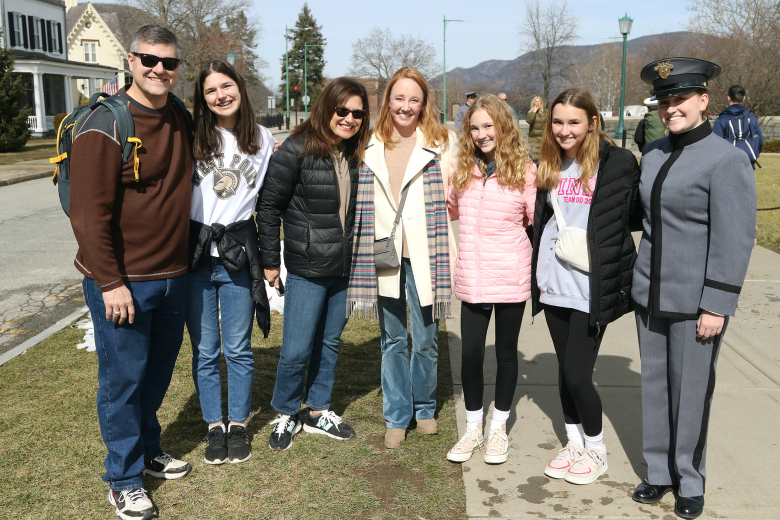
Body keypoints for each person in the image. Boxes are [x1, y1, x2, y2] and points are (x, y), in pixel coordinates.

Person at [69, 24, 193, 520]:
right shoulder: (105, 124)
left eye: (169, 62)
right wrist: (110, 282)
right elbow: (88, 216)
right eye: (150, 60)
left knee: (156, 374)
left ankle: (147, 448)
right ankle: (123, 479)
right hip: (123, 282)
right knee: (122, 380)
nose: (160, 69)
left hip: (173, 275)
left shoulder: (179, 115)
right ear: (130, 61)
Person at [632, 58, 756, 520]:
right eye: (664, 102)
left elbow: (734, 238)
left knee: (691, 392)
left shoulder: (726, 159)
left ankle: (689, 478)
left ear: (704, 100)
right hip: (650, 295)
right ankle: (659, 471)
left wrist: (717, 304)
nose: (670, 109)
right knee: (655, 386)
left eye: (680, 99)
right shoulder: (653, 153)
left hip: (696, 301)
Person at [530, 88, 640, 485]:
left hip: (592, 286)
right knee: (565, 372)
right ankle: (574, 443)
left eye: (574, 122)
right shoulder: (549, 162)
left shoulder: (619, 162)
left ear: (593, 122)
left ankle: (596, 449)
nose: (564, 130)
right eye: (558, 122)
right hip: (553, 279)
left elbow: (632, 217)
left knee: (578, 374)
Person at [258, 77, 371, 451]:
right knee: (295, 349)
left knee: (329, 343)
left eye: (357, 113)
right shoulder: (297, 148)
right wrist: (270, 261)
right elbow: (269, 207)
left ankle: (318, 410)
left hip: (345, 268)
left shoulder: (357, 153)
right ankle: (287, 411)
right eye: (342, 110)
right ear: (326, 107)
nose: (349, 118)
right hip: (307, 267)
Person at [346, 67, 456, 449]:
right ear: (388, 101)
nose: (406, 106)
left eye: (414, 99)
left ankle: (424, 408)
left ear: (424, 103)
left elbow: (464, 186)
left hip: (428, 253)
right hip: (384, 250)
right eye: (399, 98)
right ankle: (396, 414)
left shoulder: (443, 143)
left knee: (425, 338)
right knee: (392, 337)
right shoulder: (369, 143)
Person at [188, 60, 278, 465]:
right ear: (202, 98)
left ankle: (238, 424)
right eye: (211, 90)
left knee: (238, 348)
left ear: (239, 88)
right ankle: (214, 426)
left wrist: (271, 258)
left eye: (226, 86)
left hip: (238, 255)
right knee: (206, 349)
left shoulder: (262, 138)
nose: (220, 95)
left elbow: (269, 200)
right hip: (195, 255)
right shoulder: (191, 135)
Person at [445, 95, 536, 464]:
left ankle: (498, 427)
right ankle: (473, 428)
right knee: (470, 354)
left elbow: (537, 220)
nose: (482, 134)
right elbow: (452, 208)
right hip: (473, 276)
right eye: (475, 127)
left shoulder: (525, 171)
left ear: (504, 127)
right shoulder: (462, 169)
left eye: (488, 126)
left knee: (505, 353)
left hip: (511, 275)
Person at [712, 84, 764, 168]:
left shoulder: (721, 119)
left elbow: (715, 143)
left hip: (728, 163)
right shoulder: (751, 117)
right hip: (748, 162)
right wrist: (754, 154)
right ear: (744, 98)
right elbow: (760, 140)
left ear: (729, 98)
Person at [525, 96, 546, 161]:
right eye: (536, 101)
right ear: (533, 103)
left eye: (538, 101)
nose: (537, 103)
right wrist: (534, 111)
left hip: (543, 138)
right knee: (534, 158)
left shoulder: (546, 112)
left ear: (541, 103)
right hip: (534, 139)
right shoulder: (531, 112)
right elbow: (529, 121)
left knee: (543, 157)